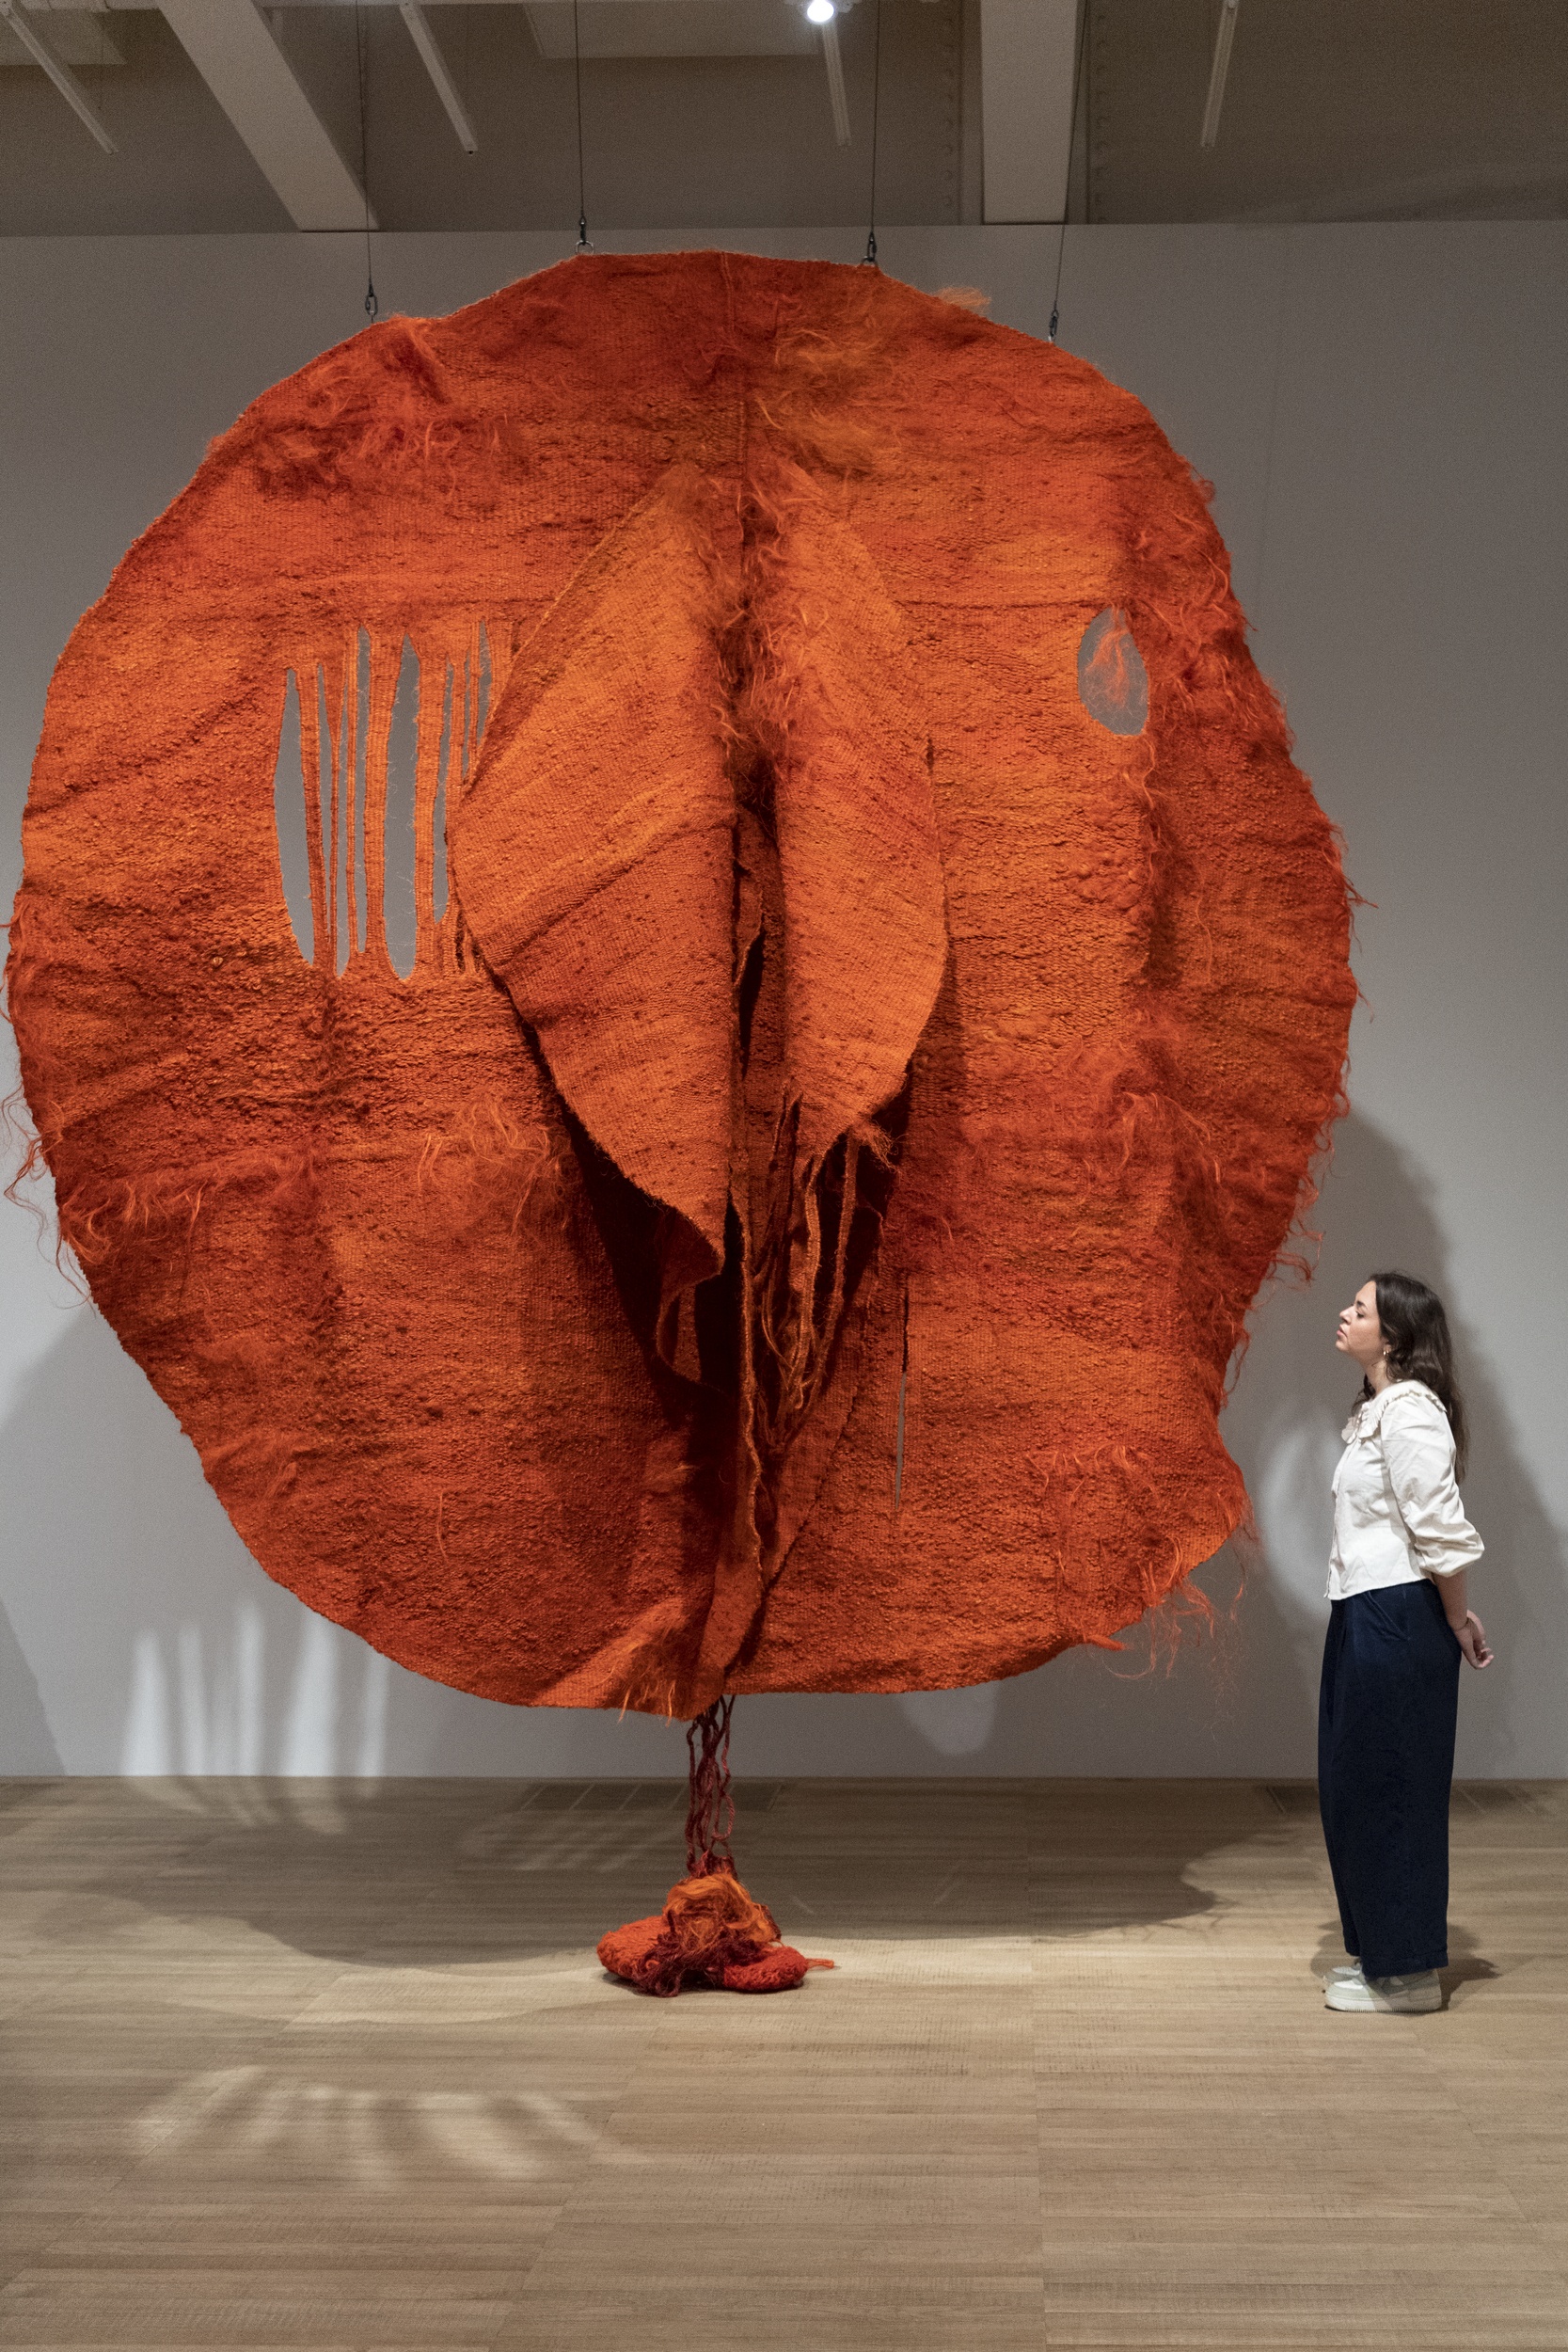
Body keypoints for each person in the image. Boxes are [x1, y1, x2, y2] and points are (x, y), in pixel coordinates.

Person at [1318, 1269, 1492, 2014]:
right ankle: (1383, 1957)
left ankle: (1409, 1973)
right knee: (1355, 1786)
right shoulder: (1378, 1410)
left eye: (1358, 1309)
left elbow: (1438, 1526)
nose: (1344, 1314)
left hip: (1398, 1615)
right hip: (1365, 1611)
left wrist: (1456, 1617)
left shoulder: (1410, 1411)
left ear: (1391, 1335)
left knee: (1390, 1787)